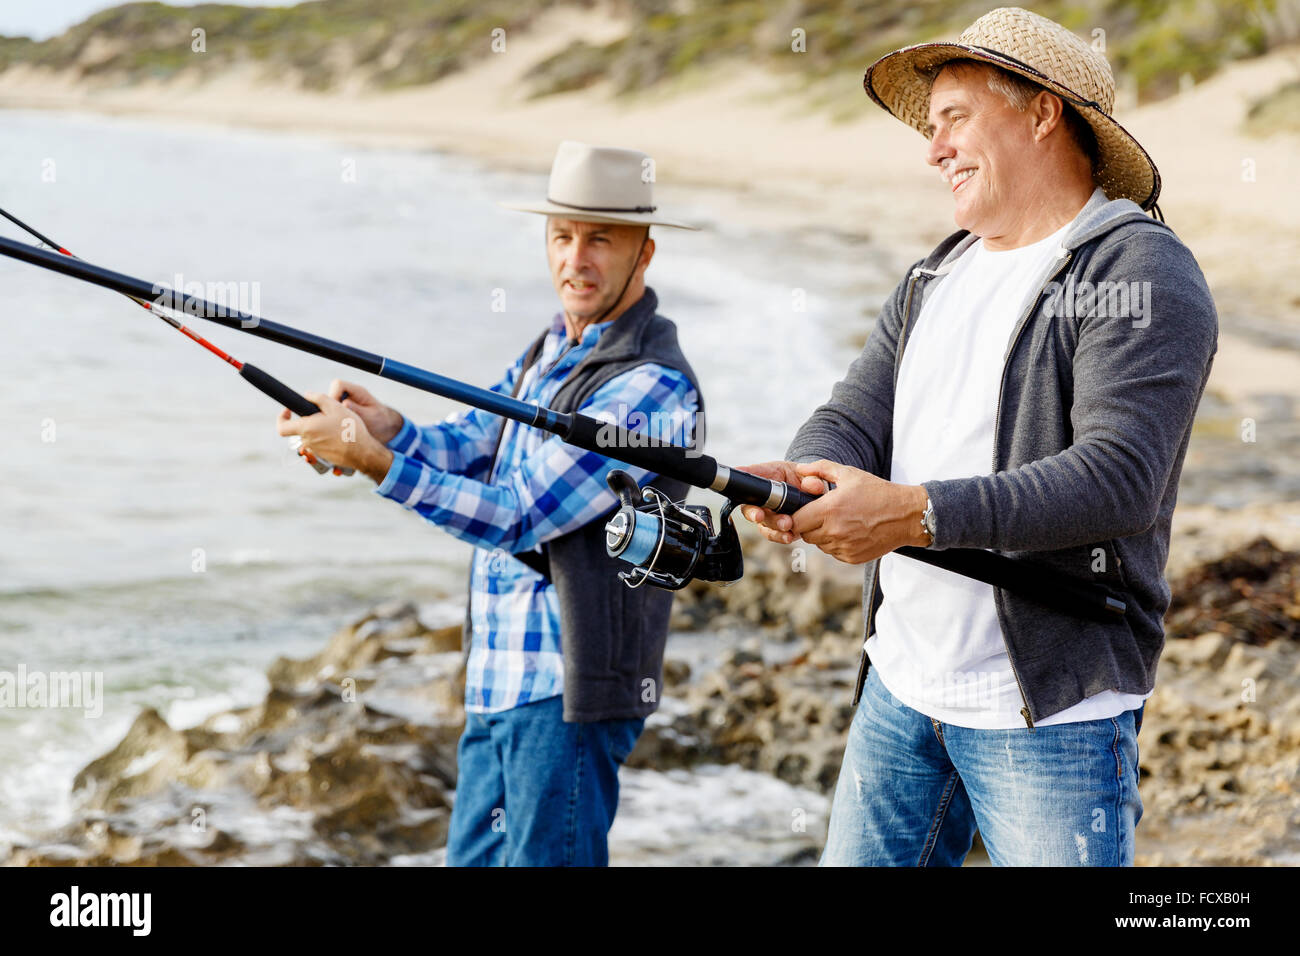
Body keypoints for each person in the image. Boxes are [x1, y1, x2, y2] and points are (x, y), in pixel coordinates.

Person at [741, 7, 1218, 866]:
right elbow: (857, 411)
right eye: (932, 127)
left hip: (1047, 714)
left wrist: (912, 515)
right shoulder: (941, 268)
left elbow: (1117, 480)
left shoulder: (1138, 270)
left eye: (954, 117)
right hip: (899, 684)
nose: (934, 148)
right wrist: (811, 477)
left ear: (1043, 111)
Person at [276, 141, 704, 866]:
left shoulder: (652, 388)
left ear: (646, 252)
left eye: (601, 238)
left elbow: (517, 513)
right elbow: (477, 443)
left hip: (567, 691)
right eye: (562, 237)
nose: (576, 259)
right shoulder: (548, 349)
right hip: (497, 676)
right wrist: (389, 429)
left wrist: (372, 461)